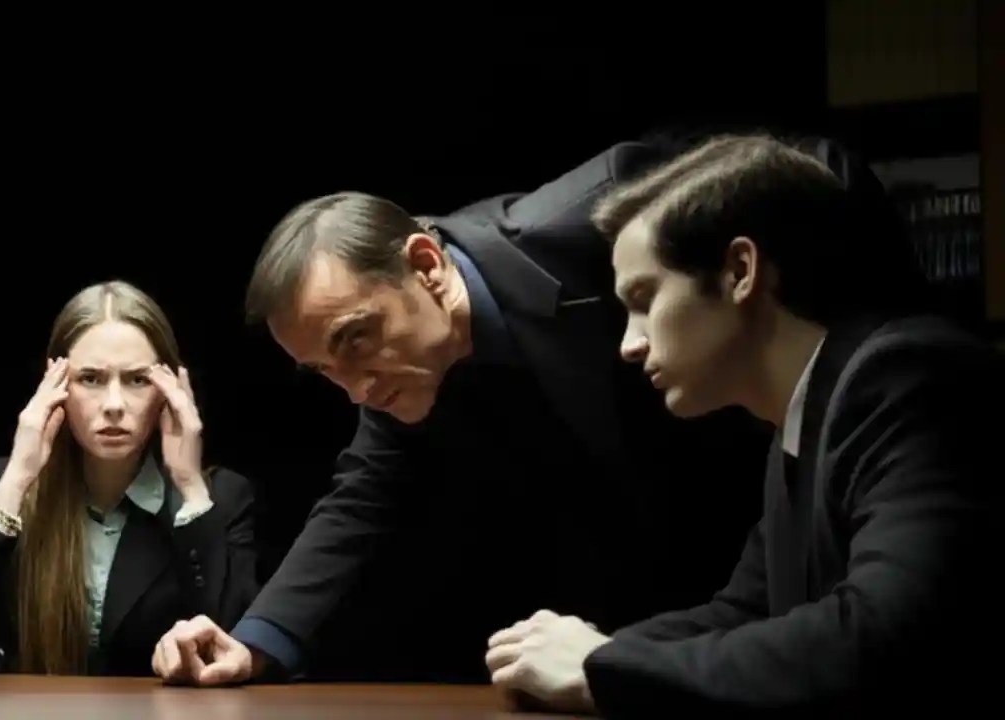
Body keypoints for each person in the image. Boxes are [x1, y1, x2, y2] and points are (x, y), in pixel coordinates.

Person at [151, 135, 917, 685]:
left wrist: (849, 373)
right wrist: (253, 643)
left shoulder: (607, 212)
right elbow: (361, 498)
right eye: (325, 373)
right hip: (700, 608)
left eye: (358, 341)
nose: (354, 388)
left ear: (425, 266)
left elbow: (820, 172)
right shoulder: (402, 371)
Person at [485, 134, 1001, 716]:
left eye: (643, 299)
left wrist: (599, 667)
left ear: (739, 270)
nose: (629, 345)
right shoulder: (805, 415)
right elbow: (747, 612)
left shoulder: (908, 376)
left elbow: (883, 633)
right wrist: (586, 654)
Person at [0, 280, 258, 677]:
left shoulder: (220, 499)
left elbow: (235, 652)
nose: (113, 405)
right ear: (55, 386)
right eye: (90, 379)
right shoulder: (0, 483)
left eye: (137, 380)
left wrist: (190, 487)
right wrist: (18, 477)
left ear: (170, 390)